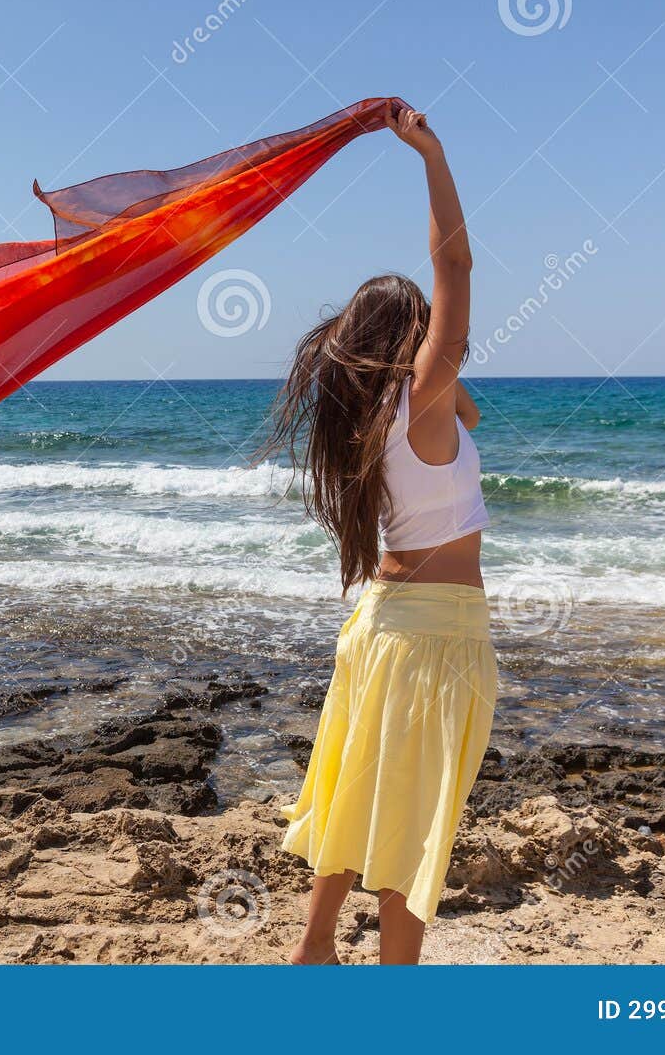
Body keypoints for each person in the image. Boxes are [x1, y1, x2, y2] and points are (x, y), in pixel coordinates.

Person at [260, 104, 495, 965]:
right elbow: (458, 260)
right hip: (433, 637)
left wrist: (419, 355)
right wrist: (431, 154)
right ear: (414, 337)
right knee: (413, 821)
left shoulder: (373, 420)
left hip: (381, 629)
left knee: (358, 792)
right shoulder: (421, 401)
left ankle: (316, 945)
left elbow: (467, 397)